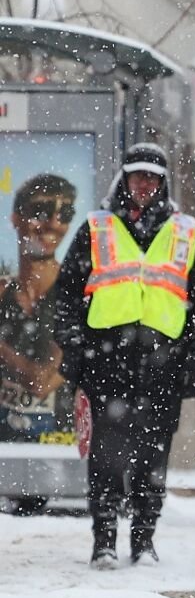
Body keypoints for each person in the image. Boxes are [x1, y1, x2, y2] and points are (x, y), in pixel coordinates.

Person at [53, 143, 195, 568]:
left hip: (166, 363)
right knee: (106, 455)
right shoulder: (98, 228)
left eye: (152, 178)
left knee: (152, 454)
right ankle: (104, 540)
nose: (144, 185)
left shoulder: (186, 232)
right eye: (137, 176)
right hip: (106, 361)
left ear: (163, 184)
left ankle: (144, 541)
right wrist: (74, 346)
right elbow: (67, 293)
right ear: (123, 179)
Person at [0, 175, 78, 443]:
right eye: (41, 211)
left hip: (59, 443)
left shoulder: (75, 298)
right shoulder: (5, 294)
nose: (54, 223)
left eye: (65, 214)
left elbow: (41, 381)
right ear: (15, 218)